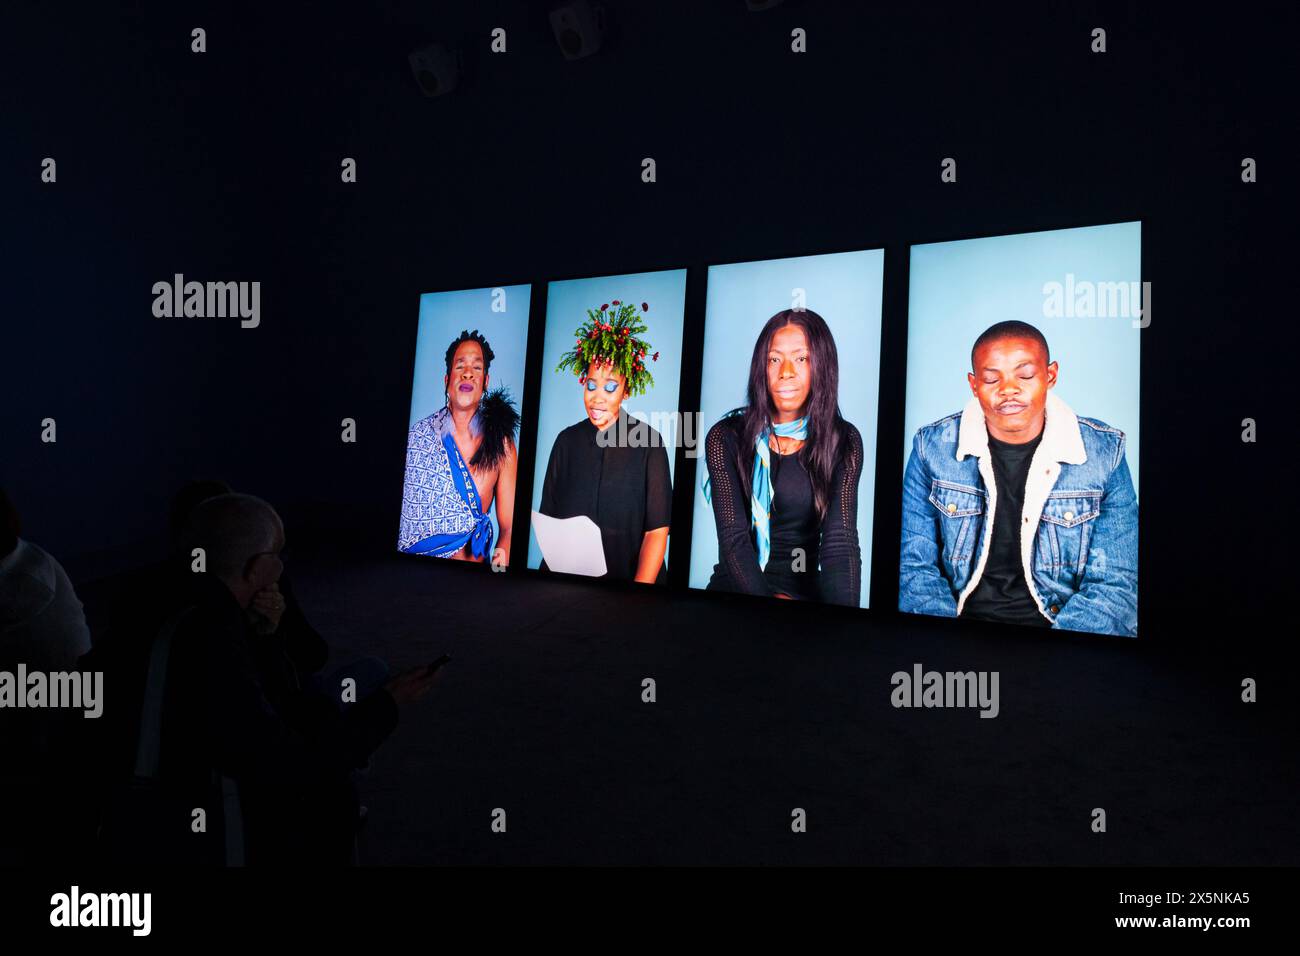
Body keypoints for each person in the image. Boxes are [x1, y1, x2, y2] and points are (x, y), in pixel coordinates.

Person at [84, 493, 441, 865]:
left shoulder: (159, 600)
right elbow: (287, 758)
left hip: (124, 785)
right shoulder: (212, 638)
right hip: (207, 814)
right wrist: (387, 706)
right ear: (256, 567)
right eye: (278, 556)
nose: (283, 568)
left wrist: (266, 634)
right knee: (337, 788)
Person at [899, 320, 1138, 637]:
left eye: (1025, 375)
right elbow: (912, 568)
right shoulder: (931, 448)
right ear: (973, 385)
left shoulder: (1103, 453)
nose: (1008, 389)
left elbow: (1117, 583)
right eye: (990, 378)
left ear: (1050, 375)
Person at [702, 309, 864, 606]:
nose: (785, 371)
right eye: (774, 359)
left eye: (801, 359)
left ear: (822, 365)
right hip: (736, 595)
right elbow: (734, 543)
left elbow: (840, 545)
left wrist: (846, 628)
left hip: (805, 598)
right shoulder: (724, 437)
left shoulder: (843, 440)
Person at [538, 299, 671, 583]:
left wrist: (637, 596)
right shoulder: (566, 441)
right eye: (590, 385)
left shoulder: (649, 443)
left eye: (610, 387)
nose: (597, 397)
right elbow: (549, 520)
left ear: (627, 391)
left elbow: (657, 531)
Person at [399, 329, 520, 566]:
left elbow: (508, 530)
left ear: (485, 381)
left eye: (476, 367)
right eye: (459, 366)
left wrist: (496, 581)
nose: (467, 374)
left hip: (471, 586)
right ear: (447, 381)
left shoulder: (501, 444)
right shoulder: (417, 438)